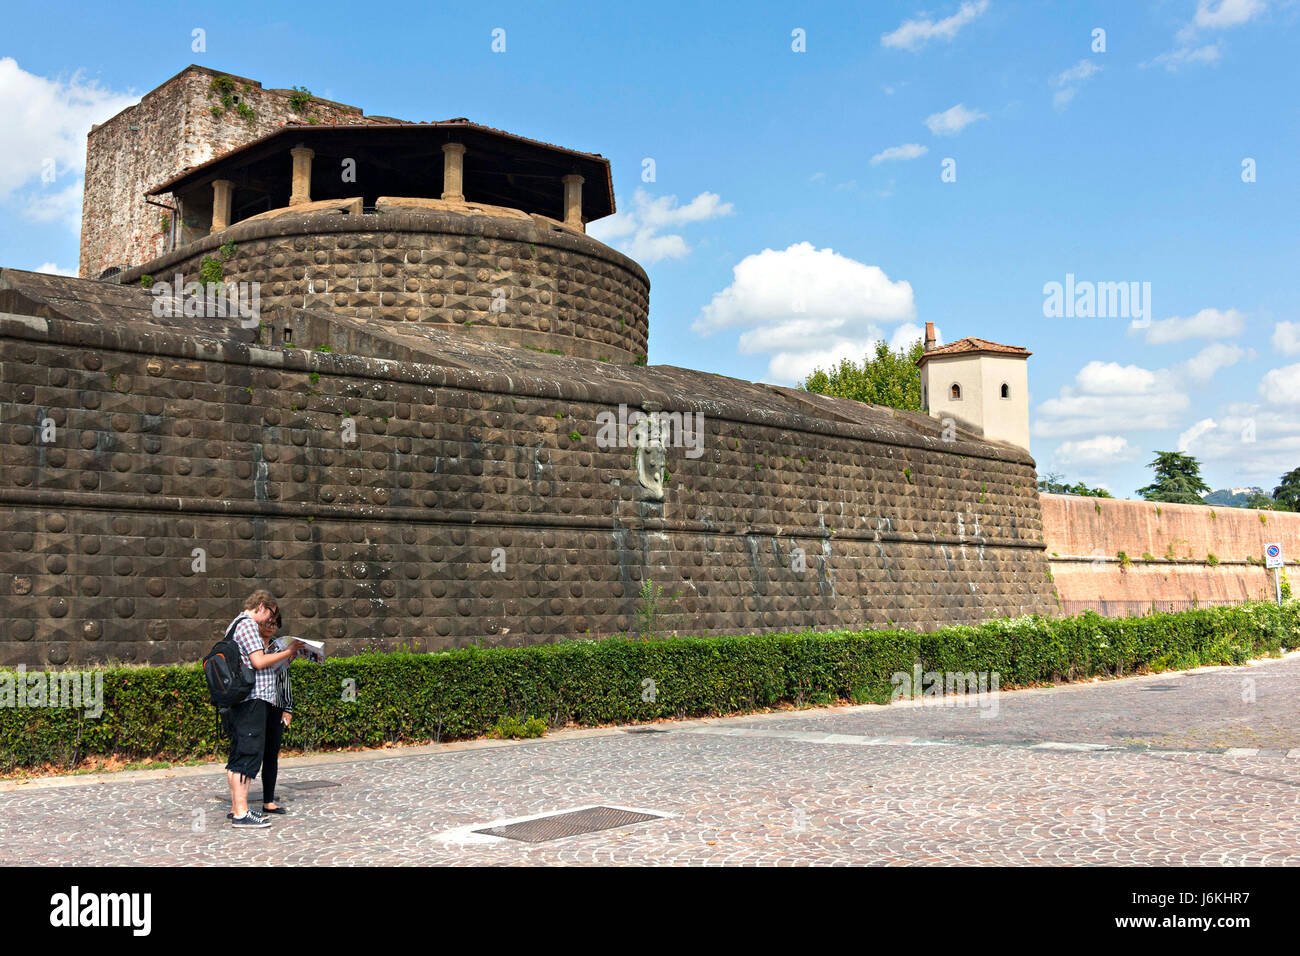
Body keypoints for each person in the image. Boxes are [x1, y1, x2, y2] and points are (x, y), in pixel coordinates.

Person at [224, 590, 302, 829]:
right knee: (246, 756)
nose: (270, 621)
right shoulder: (247, 625)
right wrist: (288, 652)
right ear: (261, 607)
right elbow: (258, 662)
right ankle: (240, 813)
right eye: (270, 615)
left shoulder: (235, 625)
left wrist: (284, 658)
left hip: (247, 700)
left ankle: (241, 808)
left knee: (242, 755)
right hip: (252, 699)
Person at [258, 607, 296, 815]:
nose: (271, 627)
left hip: (276, 705)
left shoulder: (279, 647)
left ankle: (268, 800)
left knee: (271, 754)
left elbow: (284, 679)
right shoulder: (251, 643)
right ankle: (239, 803)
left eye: (274, 624)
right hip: (255, 705)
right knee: (250, 753)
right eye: (268, 622)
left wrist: (288, 707)